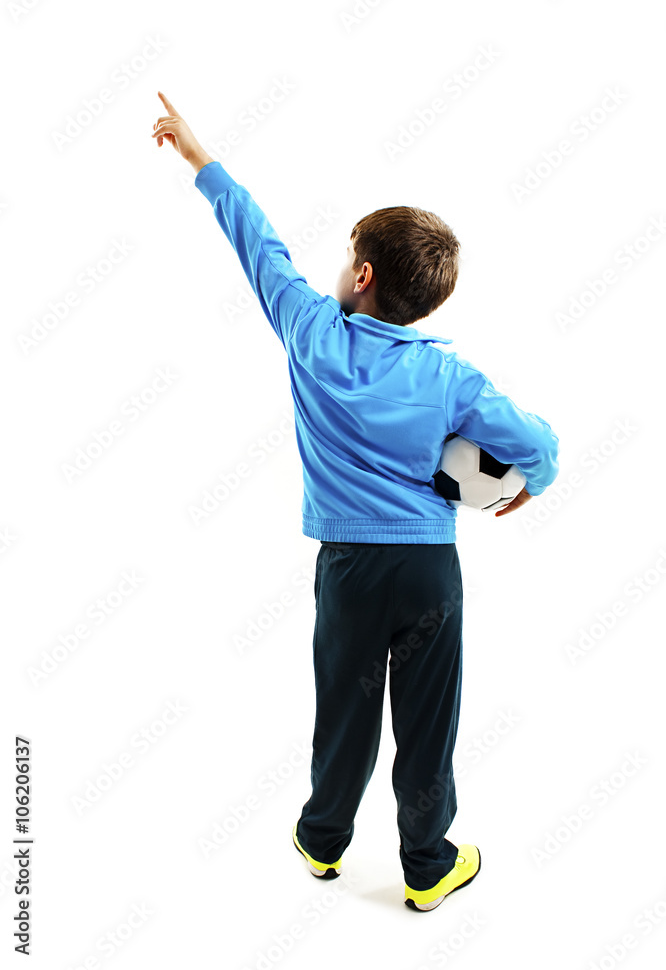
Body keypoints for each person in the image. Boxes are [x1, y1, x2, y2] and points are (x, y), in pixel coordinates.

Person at [151, 91, 559, 912]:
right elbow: (540, 446)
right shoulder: (448, 374)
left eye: (346, 259)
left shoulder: (312, 333)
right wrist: (528, 488)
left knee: (344, 707)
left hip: (348, 567)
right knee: (428, 722)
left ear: (362, 276)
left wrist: (199, 157)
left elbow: (258, 243)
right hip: (430, 571)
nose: (338, 270)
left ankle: (322, 839)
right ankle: (427, 865)